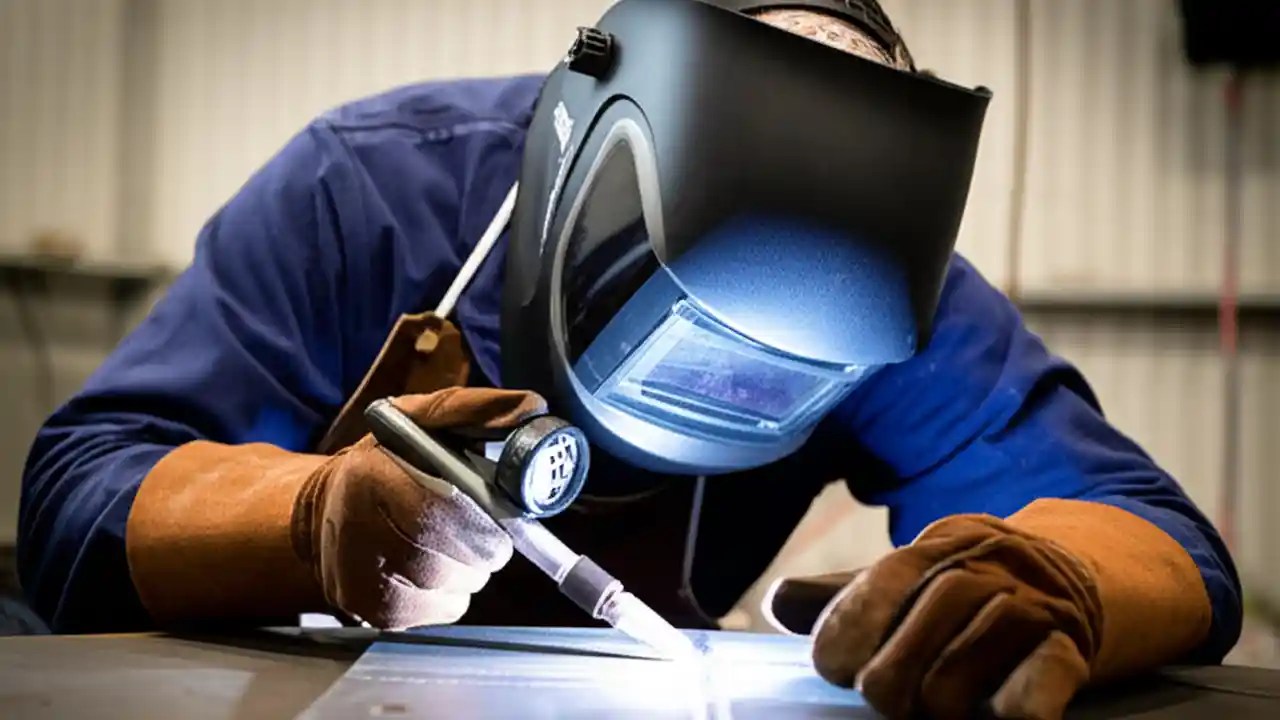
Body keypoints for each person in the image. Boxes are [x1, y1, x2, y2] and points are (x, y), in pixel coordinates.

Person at [19, 1, 1239, 718]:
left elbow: (1156, 540)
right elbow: (79, 489)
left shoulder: (881, 289)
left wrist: (1058, 578)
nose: (726, 381)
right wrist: (310, 520)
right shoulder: (370, 190)